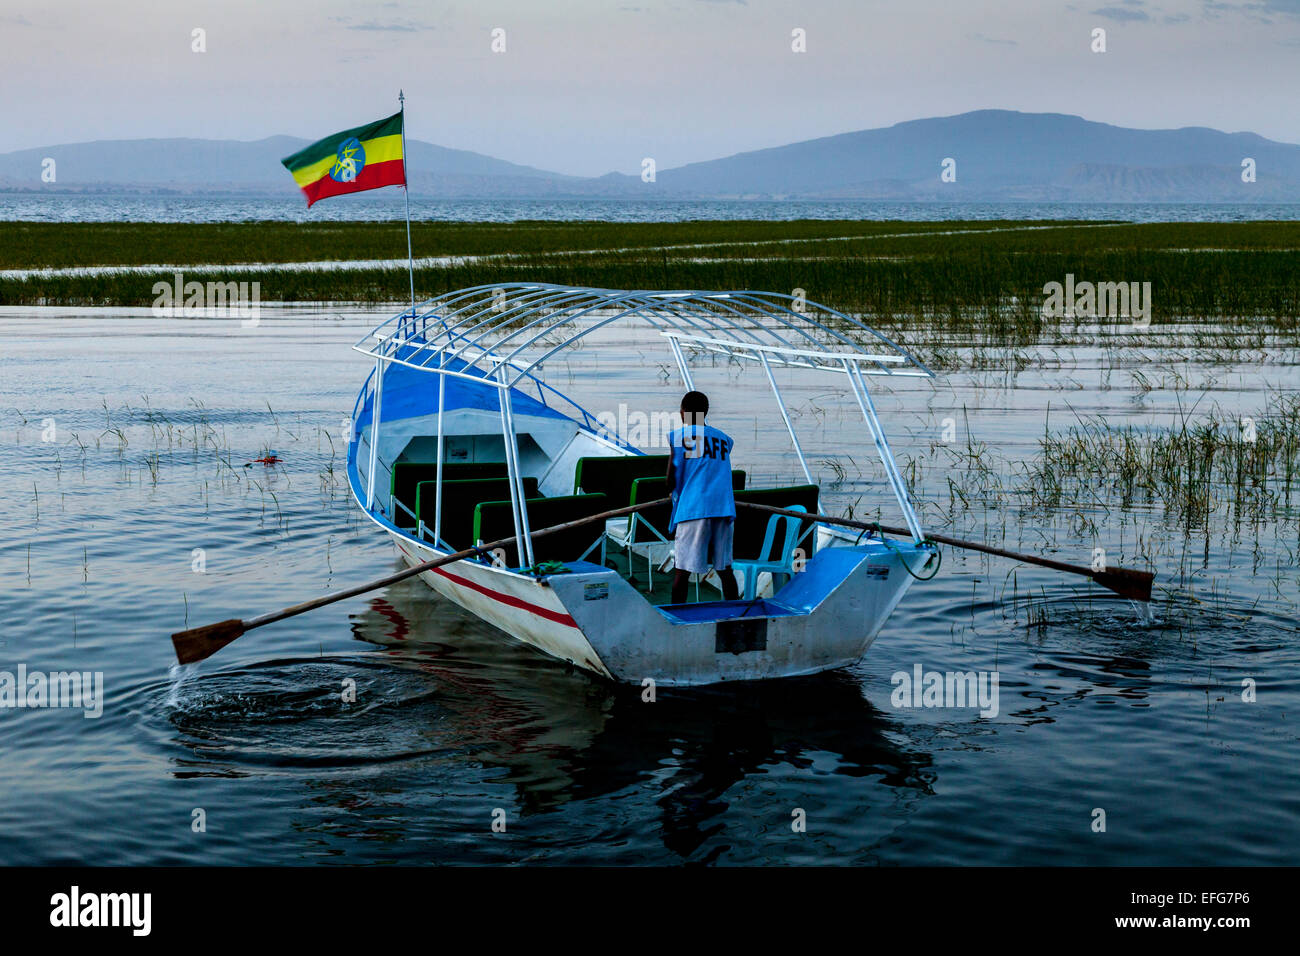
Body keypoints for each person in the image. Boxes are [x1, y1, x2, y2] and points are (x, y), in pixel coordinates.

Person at [665, 390, 740, 604]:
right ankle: (734, 614)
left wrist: (671, 490)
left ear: (683, 413)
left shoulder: (678, 437)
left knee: (682, 571)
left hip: (694, 509)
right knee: (725, 569)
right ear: (706, 412)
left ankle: (677, 617)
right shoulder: (724, 439)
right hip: (723, 509)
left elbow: (670, 479)